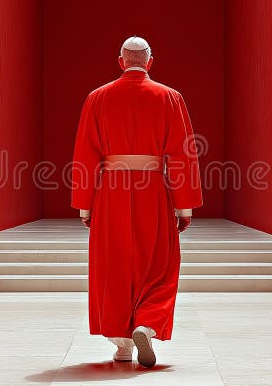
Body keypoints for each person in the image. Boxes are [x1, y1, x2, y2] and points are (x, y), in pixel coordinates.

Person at [70, 36, 203, 368]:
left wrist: (85, 204)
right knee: (159, 264)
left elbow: (86, 154)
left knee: (115, 266)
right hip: (152, 190)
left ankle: (122, 345)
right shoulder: (169, 97)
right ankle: (147, 323)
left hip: (111, 192)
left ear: (121, 61)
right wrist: (184, 206)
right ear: (149, 62)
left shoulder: (97, 98)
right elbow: (182, 154)